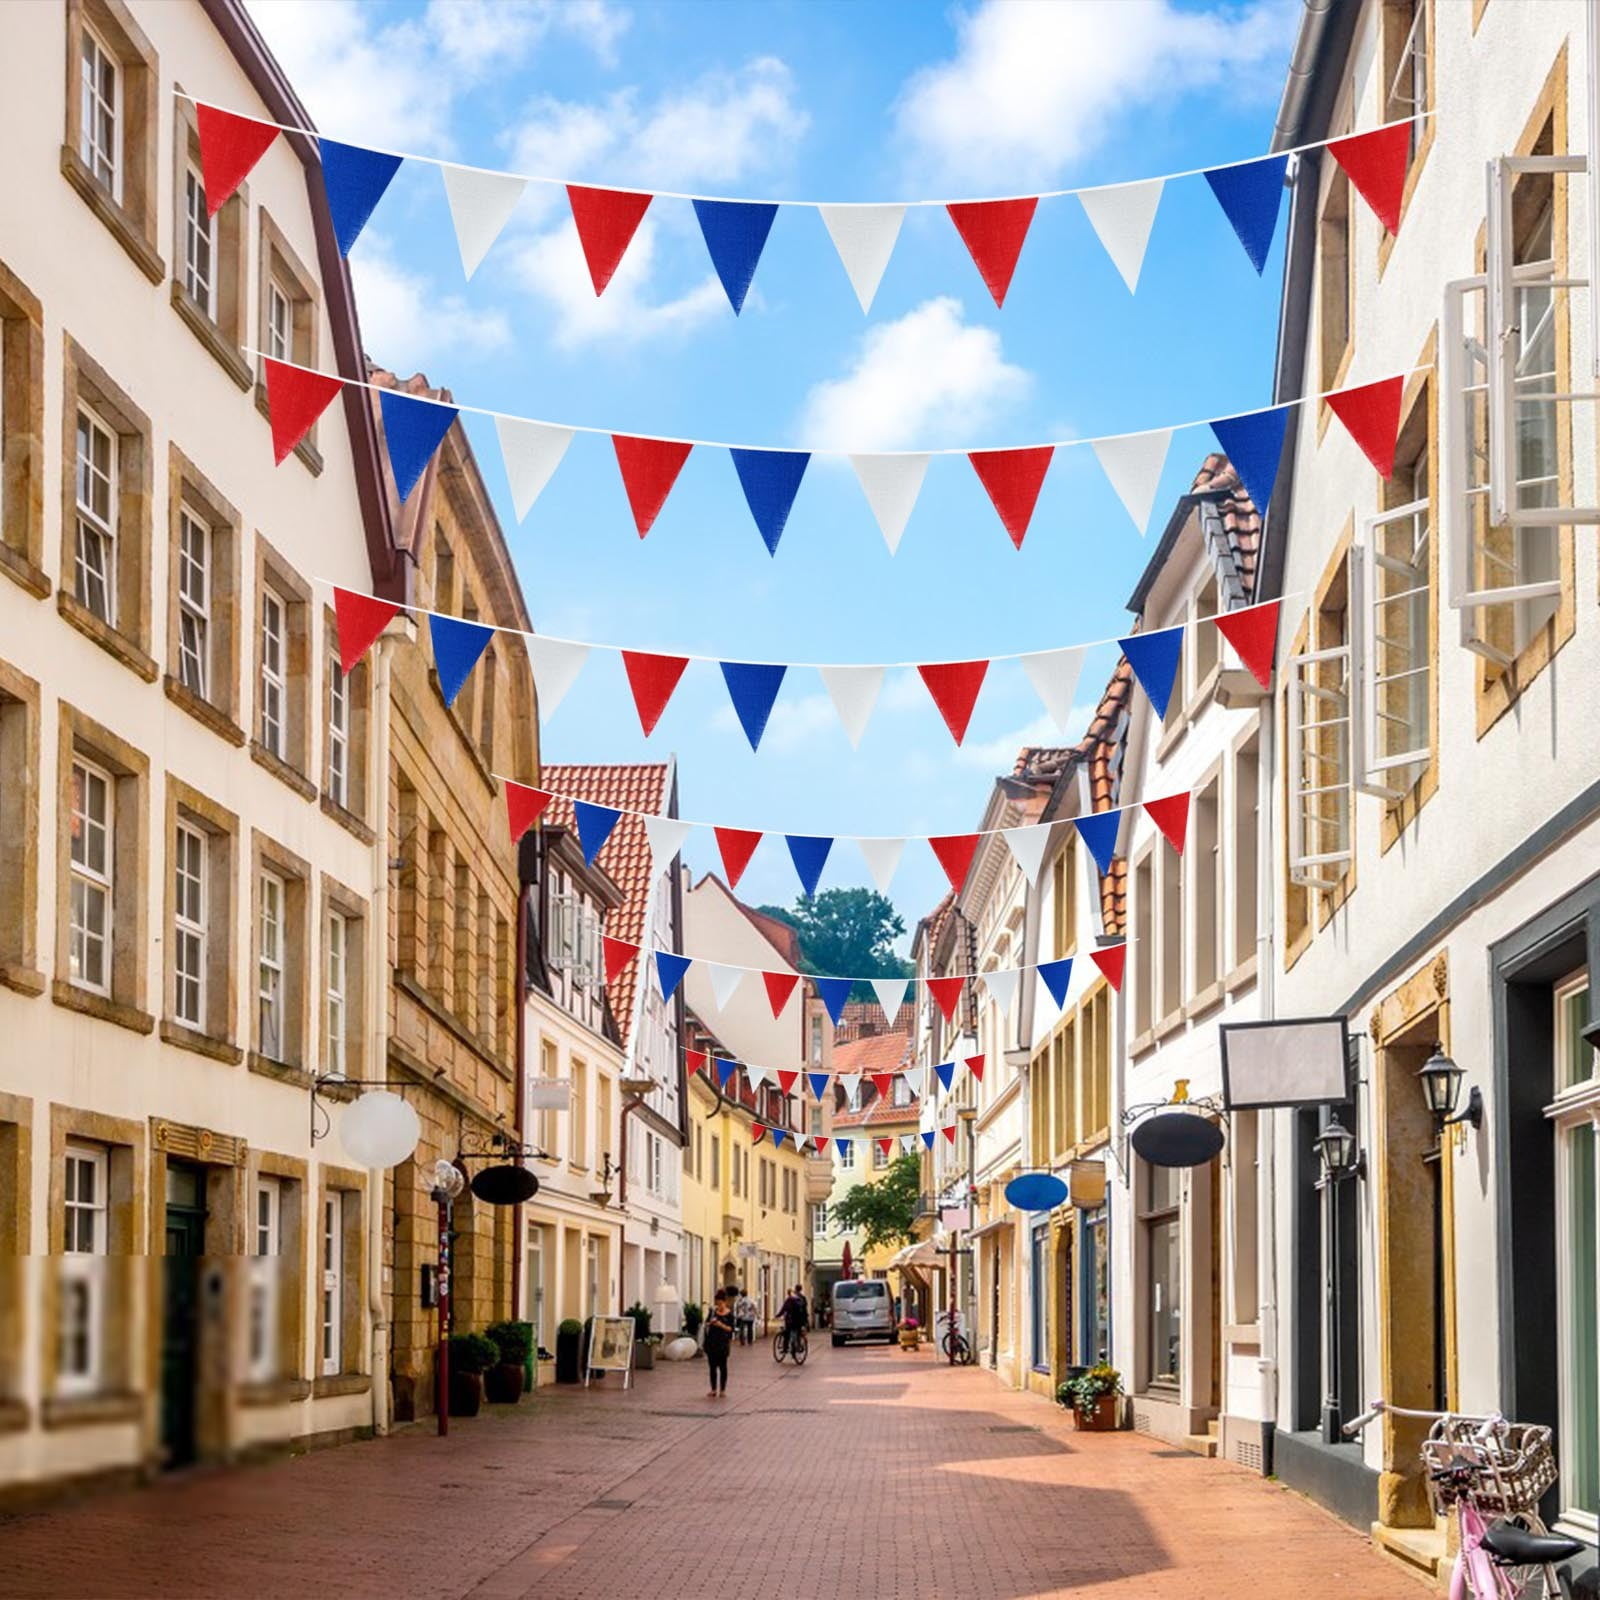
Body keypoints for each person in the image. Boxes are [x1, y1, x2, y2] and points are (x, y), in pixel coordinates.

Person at [703, 1290, 735, 1398]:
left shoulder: (730, 1314)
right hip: (712, 1343)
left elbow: (731, 1329)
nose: (719, 1305)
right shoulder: (712, 1312)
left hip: (723, 1344)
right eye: (717, 1302)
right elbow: (706, 1323)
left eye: (721, 1303)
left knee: (723, 1367)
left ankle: (722, 1390)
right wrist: (710, 1323)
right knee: (712, 1367)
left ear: (725, 1302)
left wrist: (721, 1325)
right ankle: (713, 1389)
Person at [777, 1284, 808, 1357]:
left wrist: (778, 1315)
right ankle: (798, 1345)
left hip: (790, 1321)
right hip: (800, 1320)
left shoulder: (789, 1299)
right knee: (798, 1333)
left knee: (786, 1334)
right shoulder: (802, 1298)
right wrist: (805, 1320)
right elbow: (805, 1309)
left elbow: (783, 1309)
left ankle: (785, 1349)